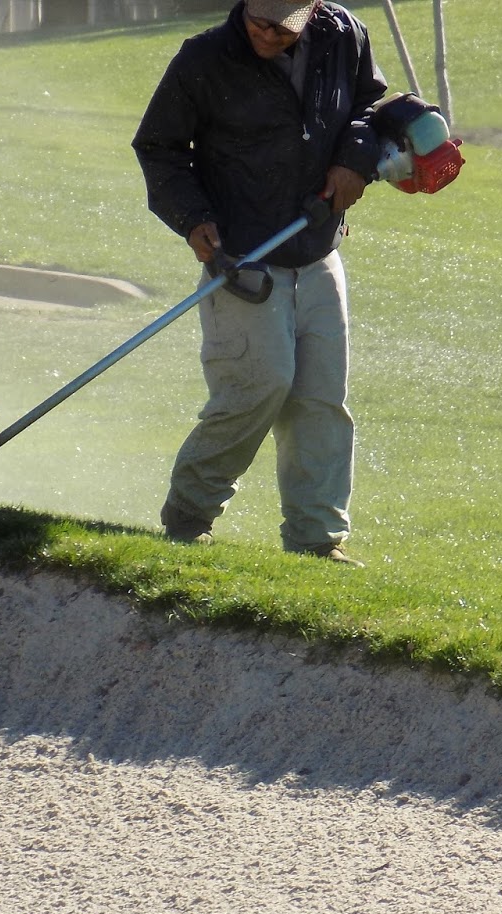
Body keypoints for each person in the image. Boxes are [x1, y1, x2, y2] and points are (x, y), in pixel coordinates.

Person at [132, 0, 387, 566]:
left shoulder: (343, 34)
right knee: (260, 384)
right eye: (258, 22)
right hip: (243, 256)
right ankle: (188, 517)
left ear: (312, 11)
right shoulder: (203, 58)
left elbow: (370, 107)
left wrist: (355, 158)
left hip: (318, 247)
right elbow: (159, 149)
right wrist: (194, 219)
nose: (267, 35)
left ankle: (317, 542)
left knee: (320, 401)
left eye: (283, 27)